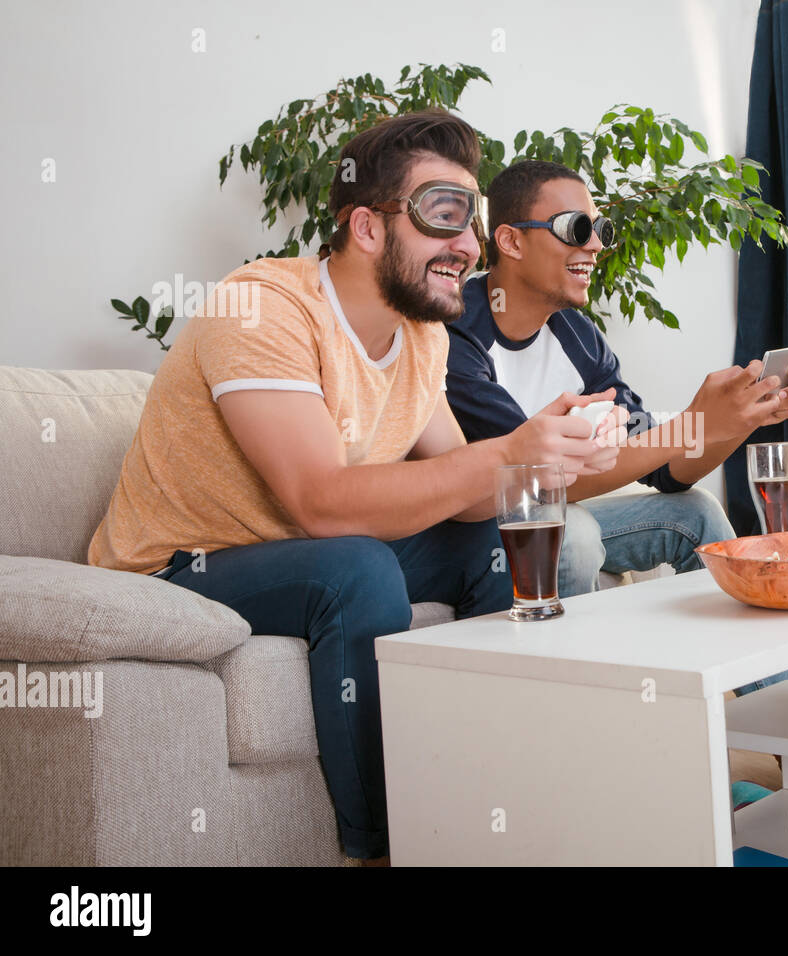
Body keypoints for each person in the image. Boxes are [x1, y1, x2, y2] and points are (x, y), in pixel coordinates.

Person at [87, 112, 623, 863]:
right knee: (356, 566)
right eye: (446, 214)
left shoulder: (422, 335)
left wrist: (541, 461)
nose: (468, 247)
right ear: (367, 227)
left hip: (305, 552)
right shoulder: (266, 306)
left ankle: (508, 796)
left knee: (495, 539)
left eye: (475, 222)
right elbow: (320, 501)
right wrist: (505, 453)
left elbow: (467, 491)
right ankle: (387, 848)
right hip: (183, 564)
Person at [444, 159, 788, 695]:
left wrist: (733, 421)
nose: (595, 245)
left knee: (698, 514)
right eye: (576, 228)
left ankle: (784, 725)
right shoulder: (457, 332)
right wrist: (692, 424)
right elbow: (534, 482)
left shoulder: (577, 333)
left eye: (602, 230)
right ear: (511, 241)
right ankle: (598, 725)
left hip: (555, 511)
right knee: (576, 534)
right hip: (494, 529)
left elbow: (663, 469)